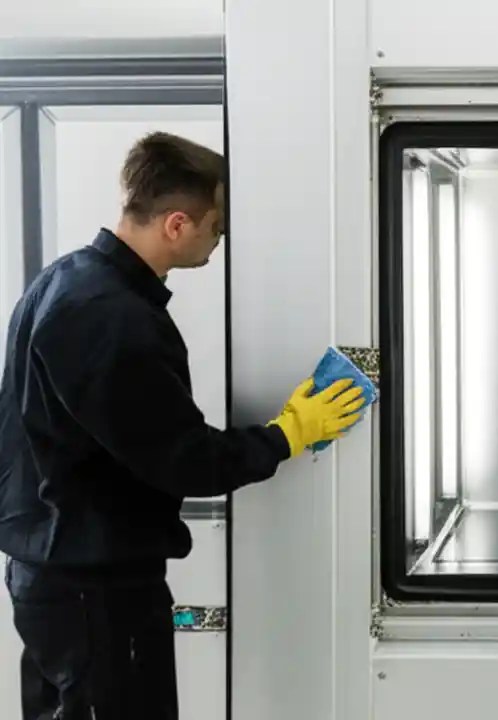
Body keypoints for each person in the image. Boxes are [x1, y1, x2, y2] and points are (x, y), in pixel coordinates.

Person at [0, 132, 364, 719]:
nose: (217, 243)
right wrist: (289, 434)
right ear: (176, 224)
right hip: (94, 589)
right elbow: (184, 457)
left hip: (59, 578)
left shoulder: (66, 281)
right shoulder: (110, 317)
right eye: (215, 228)